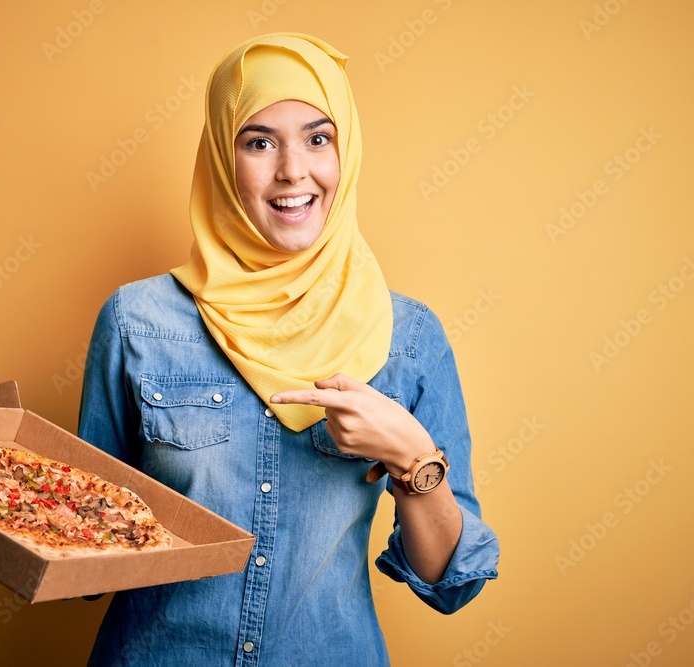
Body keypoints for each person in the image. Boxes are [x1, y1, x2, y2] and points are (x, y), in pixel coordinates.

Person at [78, 32, 499, 666]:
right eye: (259, 142)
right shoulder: (137, 321)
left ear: (346, 150)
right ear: (222, 159)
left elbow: (450, 583)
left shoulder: (408, 338)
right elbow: (87, 561)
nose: (293, 170)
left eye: (318, 138)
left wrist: (413, 458)